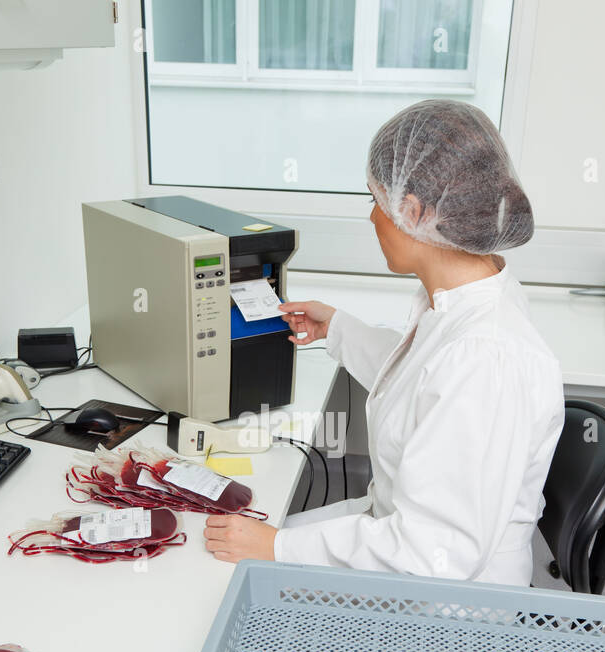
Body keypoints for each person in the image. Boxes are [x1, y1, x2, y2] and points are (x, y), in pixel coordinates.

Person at [203, 99, 564, 587]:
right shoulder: (469, 294)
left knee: (237, 566)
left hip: (448, 597)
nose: (372, 216)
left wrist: (278, 547)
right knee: (255, 534)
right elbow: (425, 383)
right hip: (396, 537)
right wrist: (338, 327)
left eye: (375, 199)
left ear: (412, 211)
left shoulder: (486, 356)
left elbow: (433, 551)